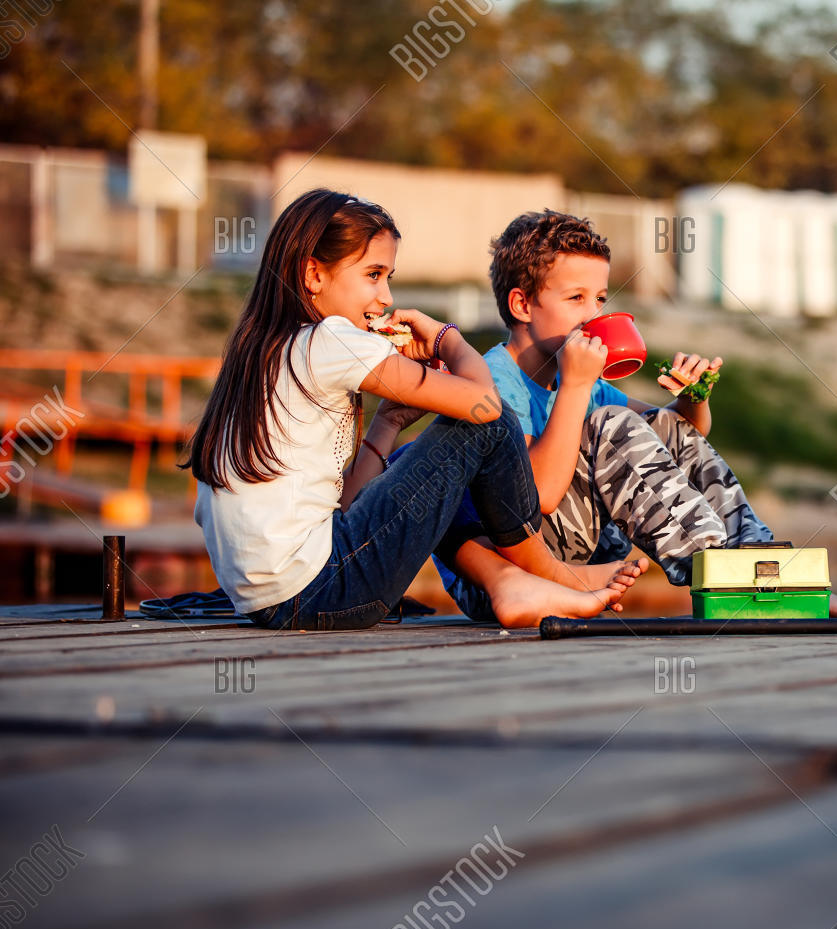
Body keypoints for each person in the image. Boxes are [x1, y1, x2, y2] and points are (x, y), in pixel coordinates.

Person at [185, 189, 640, 631]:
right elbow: (484, 407)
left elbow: (345, 506)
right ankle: (553, 575)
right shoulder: (330, 339)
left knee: (411, 457)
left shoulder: (264, 354)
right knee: (490, 423)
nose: (385, 297)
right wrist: (450, 341)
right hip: (324, 588)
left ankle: (508, 581)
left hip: (279, 601)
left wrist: (386, 423)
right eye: (373, 274)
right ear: (313, 275)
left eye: (389, 277)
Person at [428, 209, 837, 621]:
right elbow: (536, 495)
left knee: (656, 423)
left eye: (599, 298)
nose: (593, 315)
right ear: (522, 305)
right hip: (513, 571)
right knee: (611, 425)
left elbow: (677, 436)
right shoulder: (492, 379)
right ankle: (735, 584)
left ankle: (768, 573)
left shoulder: (580, 379)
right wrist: (578, 387)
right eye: (576, 298)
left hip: (583, 555)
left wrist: (692, 398)